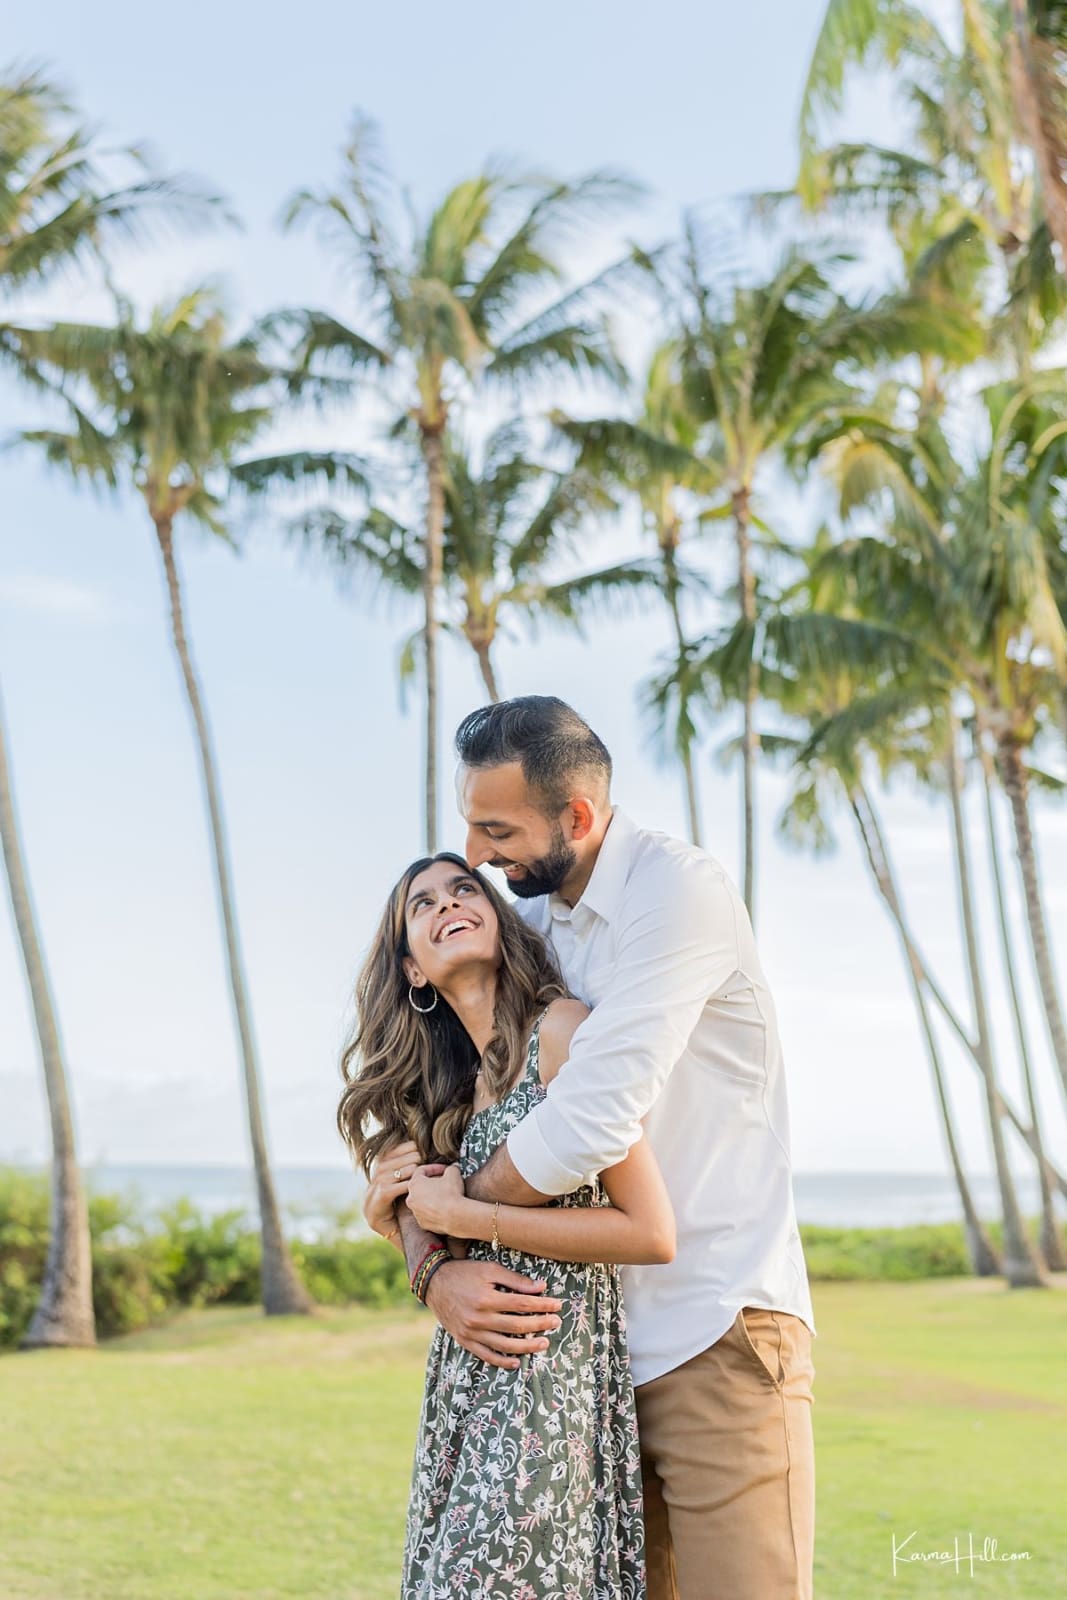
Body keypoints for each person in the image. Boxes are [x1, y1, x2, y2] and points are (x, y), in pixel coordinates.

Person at [375, 696, 817, 1600]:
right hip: (588, 1380)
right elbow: (417, 1145)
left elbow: (586, 1123)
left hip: (712, 1328)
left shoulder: (673, 893)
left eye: (495, 830)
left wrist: (461, 1212)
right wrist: (433, 1265)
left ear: (575, 817)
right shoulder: (542, 933)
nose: (480, 856)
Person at [343, 850, 676, 1598]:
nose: (447, 904)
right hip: (464, 1385)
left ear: (497, 919)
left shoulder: (559, 1035)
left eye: (464, 889)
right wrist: (391, 1226)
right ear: (413, 971)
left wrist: (466, 1215)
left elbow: (648, 1231)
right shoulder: (443, 1093)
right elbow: (431, 1229)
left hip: (551, 1386)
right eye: (421, 905)